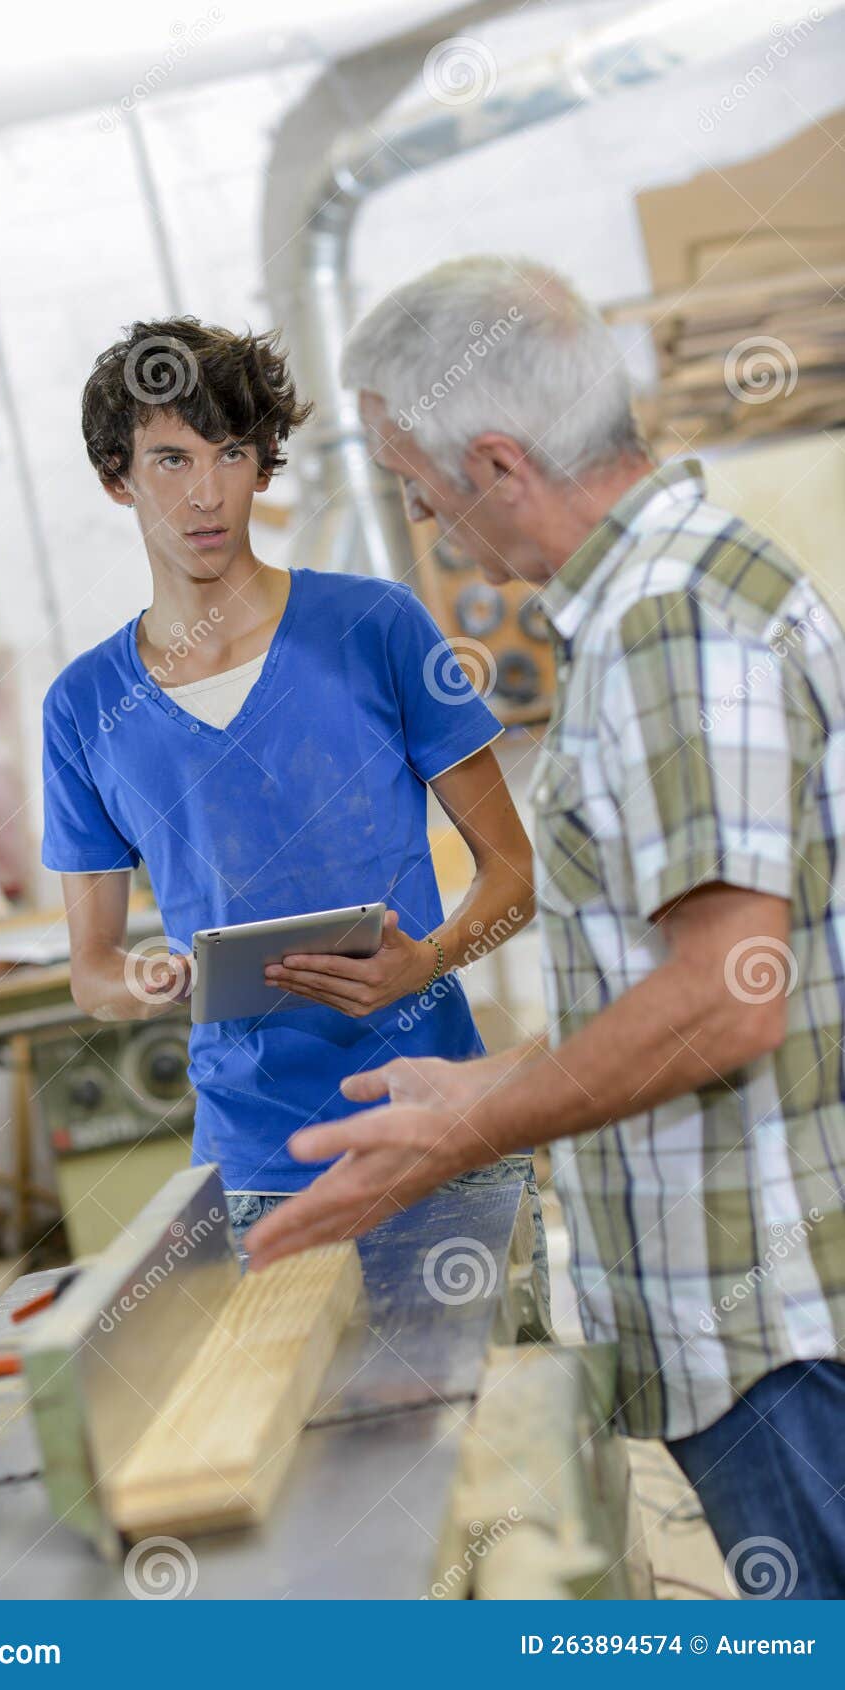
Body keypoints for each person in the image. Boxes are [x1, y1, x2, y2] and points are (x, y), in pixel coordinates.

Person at [245, 256, 845, 1599]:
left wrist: (471, 1127)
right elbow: (696, 988)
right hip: (756, 1316)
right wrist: (487, 1076)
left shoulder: (673, 621)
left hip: (780, 1326)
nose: (430, 526)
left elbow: (730, 994)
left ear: (502, 464)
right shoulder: (666, 600)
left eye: (423, 490)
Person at [41, 316, 548, 1301]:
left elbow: (518, 878)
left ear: (263, 466)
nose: (204, 492)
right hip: (256, 1172)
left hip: (434, 1127)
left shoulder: (376, 626)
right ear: (117, 478)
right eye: (171, 458)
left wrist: (427, 960)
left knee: (501, 1431)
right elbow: (93, 972)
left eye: (231, 454)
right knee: (310, 1444)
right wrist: (166, 979)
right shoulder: (84, 706)